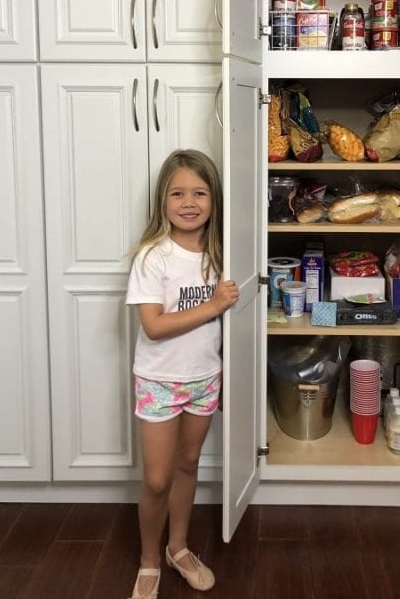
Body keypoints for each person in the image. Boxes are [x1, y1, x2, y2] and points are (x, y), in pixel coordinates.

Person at [126, 149, 239, 598]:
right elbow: (153, 326)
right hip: (159, 382)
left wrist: (230, 372)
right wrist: (212, 304)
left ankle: (178, 548)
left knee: (188, 465)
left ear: (214, 200)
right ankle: (148, 561)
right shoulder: (154, 257)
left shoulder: (221, 255)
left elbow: (229, 325)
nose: (188, 202)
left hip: (204, 378)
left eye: (199, 192)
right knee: (157, 478)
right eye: (177, 193)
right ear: (162, 200)